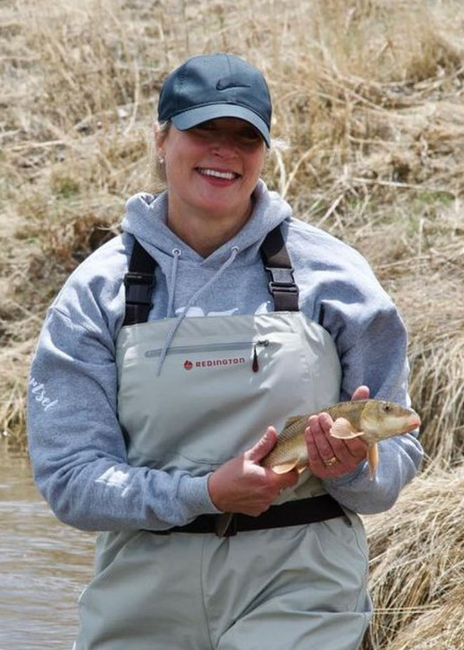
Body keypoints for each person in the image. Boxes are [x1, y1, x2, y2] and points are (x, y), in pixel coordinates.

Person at [27, 53, 423, 650]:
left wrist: (351, 474)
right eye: (203, 130)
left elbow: (395, 462)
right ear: (161, 139)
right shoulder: (96, 291)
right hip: (140, 595)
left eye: (245, 136)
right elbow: (71, 480)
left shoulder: (335, 275)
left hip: (303, 587)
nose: (225, 151)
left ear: (265, 153)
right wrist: (201, 495)